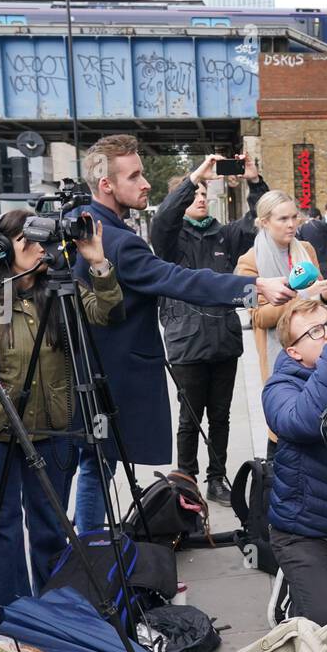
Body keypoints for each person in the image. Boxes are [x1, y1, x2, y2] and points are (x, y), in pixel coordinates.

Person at [68, 134, 296, 533]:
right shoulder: (118, 242)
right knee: (96, 465)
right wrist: (255, 288)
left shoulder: (87, 226)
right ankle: (87, 549)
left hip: (96, 368)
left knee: (92, 463)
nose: (145, 183)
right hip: (115, 372)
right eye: (135, 175)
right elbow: (179, 279)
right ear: (106, 184)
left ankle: (81, 551)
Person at [0, 210, 122, 609]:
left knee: (49, 525)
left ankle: (55, 613)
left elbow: (107, 313)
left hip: (51, 427)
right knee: (1, 526)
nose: (37, 248)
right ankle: (7, 615)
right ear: (2, 249)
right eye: (25, 242)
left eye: (40, 240)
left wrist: (97, 261)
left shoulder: (60, 288)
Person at [151, 152, 270, 506]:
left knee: (220, 416)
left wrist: (253, 180)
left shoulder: (224, 236)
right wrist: (191, 181)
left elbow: (256, 222)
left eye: (204, 194)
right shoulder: (171, 242)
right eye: (194, 195)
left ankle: (216, 478)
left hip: (223, 340)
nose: (200, 198)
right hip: (186, 344)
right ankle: (184, 479)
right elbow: (162, 221)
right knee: (189, 419)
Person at [263, 297, 327, 652]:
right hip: (306, 534)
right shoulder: (279, 388)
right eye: (316, 331)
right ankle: (290, 601)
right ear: (293, 352)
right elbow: (304, 421)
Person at [235, 189, 327, 394]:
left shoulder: (306, 249)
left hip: (318, 347)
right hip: (279, 356)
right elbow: (258, 318)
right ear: (264, 221)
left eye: (294, 217)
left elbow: (318, 296)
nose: (291, 225)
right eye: (283, 219)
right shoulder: (246, 263)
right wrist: (304, 295)